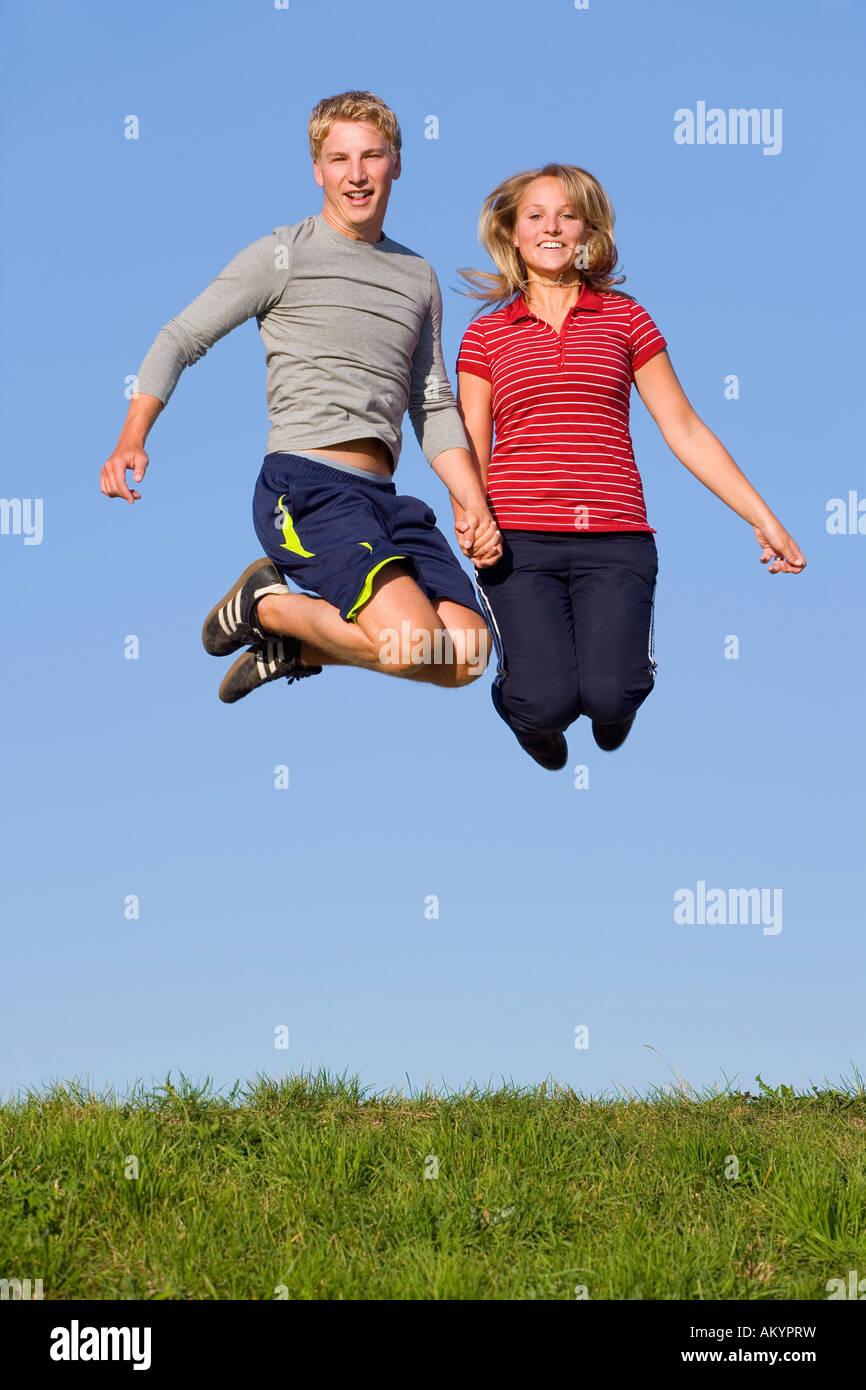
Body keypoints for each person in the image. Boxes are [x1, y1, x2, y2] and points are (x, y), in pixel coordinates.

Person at [100, 91, 501, 703]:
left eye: (371, 156)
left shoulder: (418, 275)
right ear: (318, 170)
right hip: (306, 488)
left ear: (397, 161)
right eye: (339, 159)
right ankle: (272, 608)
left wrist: (473, 500)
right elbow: (180, 336)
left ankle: (293, 646)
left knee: (468, 653)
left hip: (385, 499)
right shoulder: (283, 254)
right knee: (415, 641)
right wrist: (133, 435)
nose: (356, 174)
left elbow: (431, 401)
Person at [455, 164, 806, 771]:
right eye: (535, 216)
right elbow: (468, 445)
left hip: (616, 538)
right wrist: (473, 517)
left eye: (567, 215)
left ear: (588, 230)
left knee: (610, 692)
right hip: (521, 543)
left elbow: (685, 428)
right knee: (546, 700)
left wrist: (763, 518)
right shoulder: (485, 336)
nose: (552, 228)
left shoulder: (627, 319)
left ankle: (615, 712)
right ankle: (532, 720)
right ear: (512, 231)